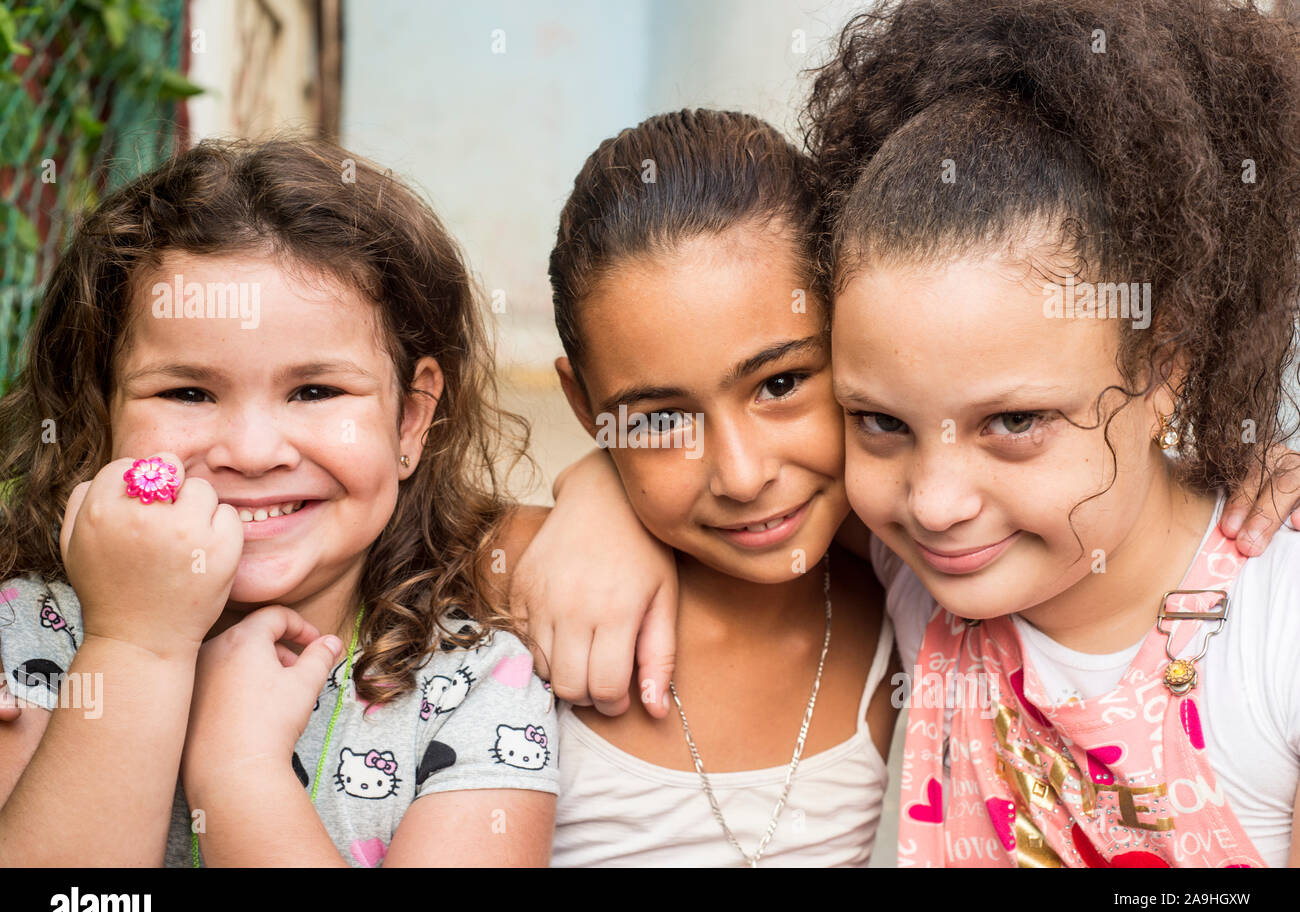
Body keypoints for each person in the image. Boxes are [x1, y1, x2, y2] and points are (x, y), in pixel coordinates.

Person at [515, 0, 1300, 867]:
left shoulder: (1273, 629)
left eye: (1015, 421)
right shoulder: (918, 570)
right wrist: (597, 493)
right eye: (881, 420)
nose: (935, 500)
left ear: (1163, 372)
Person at [0, 139, 556, 866]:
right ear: (101, 412)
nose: (254, 450)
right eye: (188, 392)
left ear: (411, 420)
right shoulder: (33, 637)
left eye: (316, 391)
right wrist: (136, 646)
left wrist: (240, 772)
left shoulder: (477, 689)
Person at [541, 109, 895, 866]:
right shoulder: (528, 593)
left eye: (781, 383)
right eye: (662, 419)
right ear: (584, 407)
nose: (741, 474)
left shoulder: (919, 603)